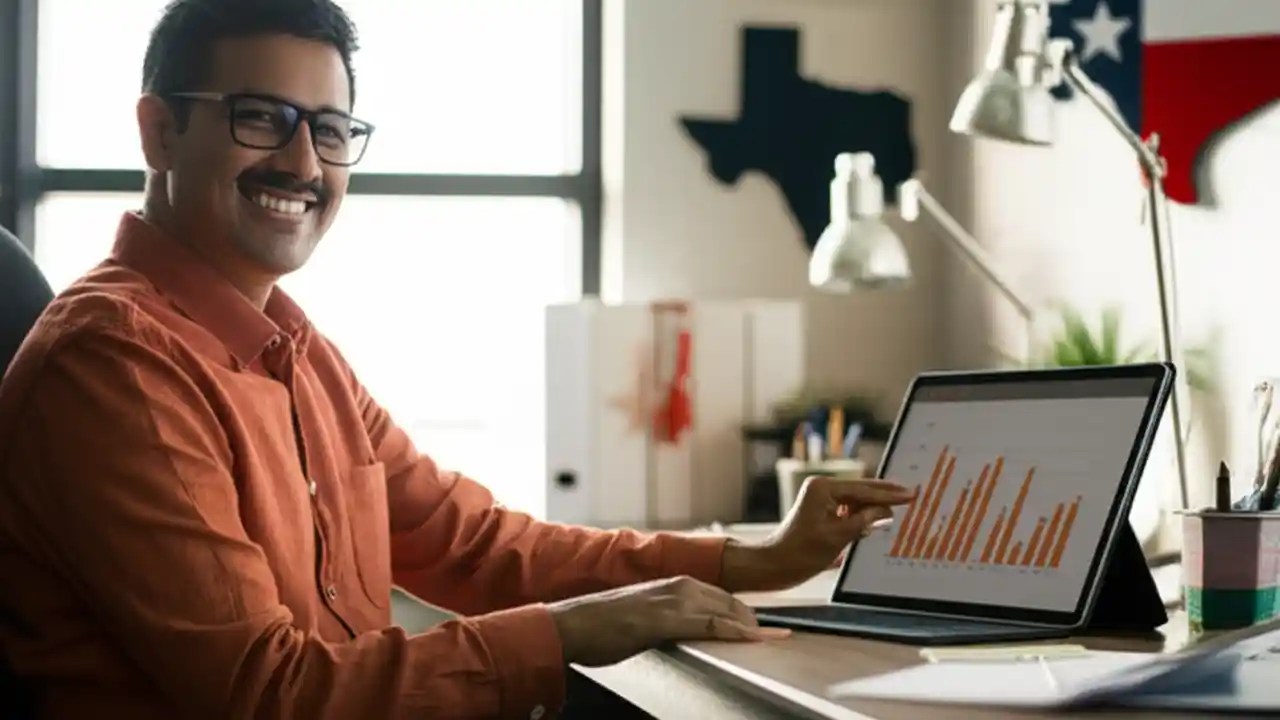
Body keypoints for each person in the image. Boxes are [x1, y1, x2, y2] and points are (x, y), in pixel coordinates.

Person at [0, 1, 915, 718]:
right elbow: (269, 694)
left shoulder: (297, 352)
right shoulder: (114, 365)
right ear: (159, 131)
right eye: (260, 118)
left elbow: (475, 547)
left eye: (330, 129)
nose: (303, 163)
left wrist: (755, 559)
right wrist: (566, 633)